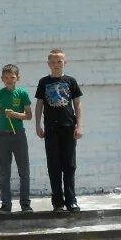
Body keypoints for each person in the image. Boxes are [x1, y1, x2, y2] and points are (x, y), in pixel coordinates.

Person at [34, 49, 84, 212]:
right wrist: (38, 125)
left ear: (65, 63)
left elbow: (77, 104)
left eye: (59, 61)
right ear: (48, 64)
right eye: (53, 62)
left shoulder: (71, 81)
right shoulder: (43, 82)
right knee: (53, 164)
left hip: (69, 127)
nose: (56, 65)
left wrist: (80, 125)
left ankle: (71, 200)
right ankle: (57, 202)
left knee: (69, 165)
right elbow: (39, 104)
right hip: (51, 129)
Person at [0, 64, 33, 214]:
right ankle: (6, 204)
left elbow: (29, 115)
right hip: (3, 136)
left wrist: (15, 115)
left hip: (19, 134)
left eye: (12, 77)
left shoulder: (22, 93)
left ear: (17, 78)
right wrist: (1, 114)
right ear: (2, 79)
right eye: (6, 78)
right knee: (4, 173)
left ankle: (25, 204)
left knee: (23, 171)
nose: (9, 80)